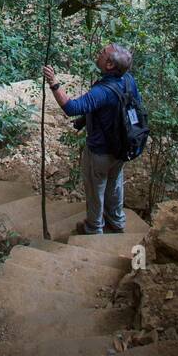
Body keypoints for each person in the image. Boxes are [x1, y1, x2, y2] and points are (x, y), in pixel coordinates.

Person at [43, 44, 139, 235]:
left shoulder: (102, 91)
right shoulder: (128, 80)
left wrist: (54, 83)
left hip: (101, 151)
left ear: (110, 64)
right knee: (115, 183)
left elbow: (71, 107)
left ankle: (94, 228)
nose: (99, 53)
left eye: (103, 53)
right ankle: (116, 222)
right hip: (123, 146)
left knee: (96, 187)